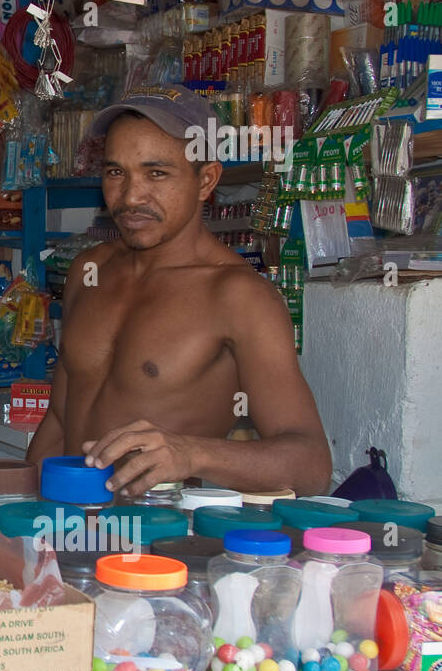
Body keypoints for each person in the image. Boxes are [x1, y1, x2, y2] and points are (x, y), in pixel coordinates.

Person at [25, 85, 332, 497]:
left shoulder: (239, 296)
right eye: (116, 172)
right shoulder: (89, 270)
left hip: (162, 540)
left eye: (157, 173)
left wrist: (191, 454)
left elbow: (311, 465)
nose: (131, 197)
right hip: (74, 527)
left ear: (206, 180)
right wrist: (21, 513)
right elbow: (60, 420)